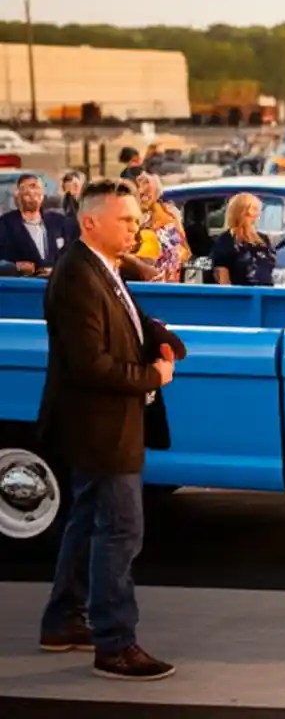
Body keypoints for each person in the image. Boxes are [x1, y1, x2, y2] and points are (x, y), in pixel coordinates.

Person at [36, 178, 181, 680]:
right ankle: (115, 644)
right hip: (99, 427)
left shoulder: (103, 268)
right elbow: (91, 366)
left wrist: (163, 339)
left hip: (105, 426)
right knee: (120, 532)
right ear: (89, 222)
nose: (135, 226)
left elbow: (131, 317)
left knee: (87, 523)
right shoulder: (77, 276)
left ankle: (62, 622)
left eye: (136, 218)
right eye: (125, 220)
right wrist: (153, 375)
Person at [0, 173, 80, 276]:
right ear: (18, 194)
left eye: (36, 188)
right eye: (27, 189)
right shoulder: (5, 224)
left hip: (56, 286)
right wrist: (16, 267)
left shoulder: (59, 222)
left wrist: (76, 195)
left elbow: (77, 246)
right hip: (22, 286)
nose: (32, 193)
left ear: (42, 194)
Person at [133, 173, 190, 283]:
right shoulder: (132, 218)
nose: (141, 192)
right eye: (139, 193)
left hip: (165, 281)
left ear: (156, 194)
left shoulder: (169, 215)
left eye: (146, 194)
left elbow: (182, 250)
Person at [211, 193, 277, 286]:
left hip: (267, 294)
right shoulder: (225, 241)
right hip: (240, 296)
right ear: (243, 212)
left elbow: (271, 271)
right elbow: (223, 281)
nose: (258, 214)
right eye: (254, 210)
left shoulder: (263, 239)